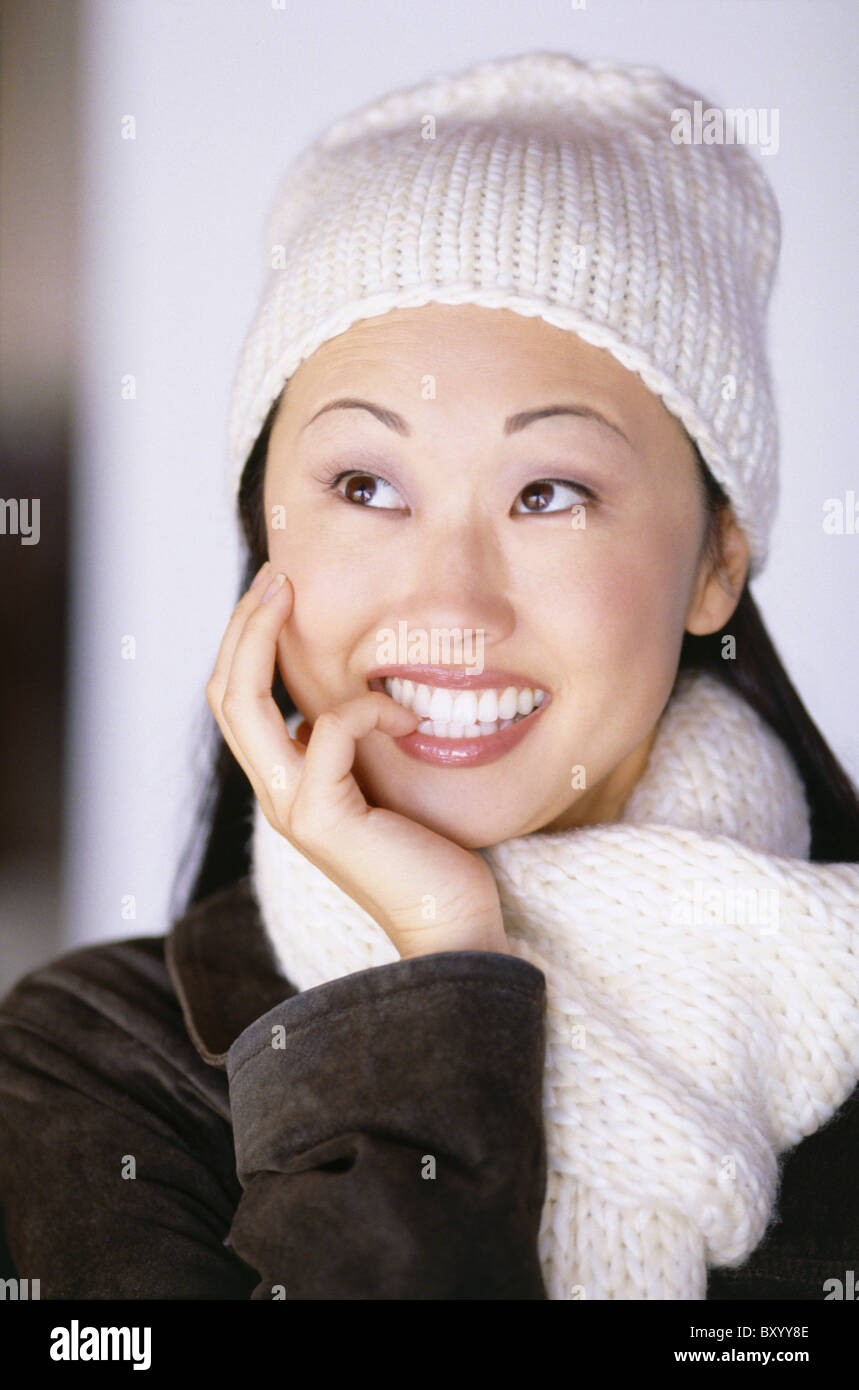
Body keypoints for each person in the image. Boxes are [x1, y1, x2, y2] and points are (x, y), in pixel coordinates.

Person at [1, 50, 857, 1302]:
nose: (449, 603)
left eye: (550, 492)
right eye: (366, 488)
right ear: (263, 534)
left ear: (715, 563)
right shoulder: (87, 1062)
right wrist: (442, 967)